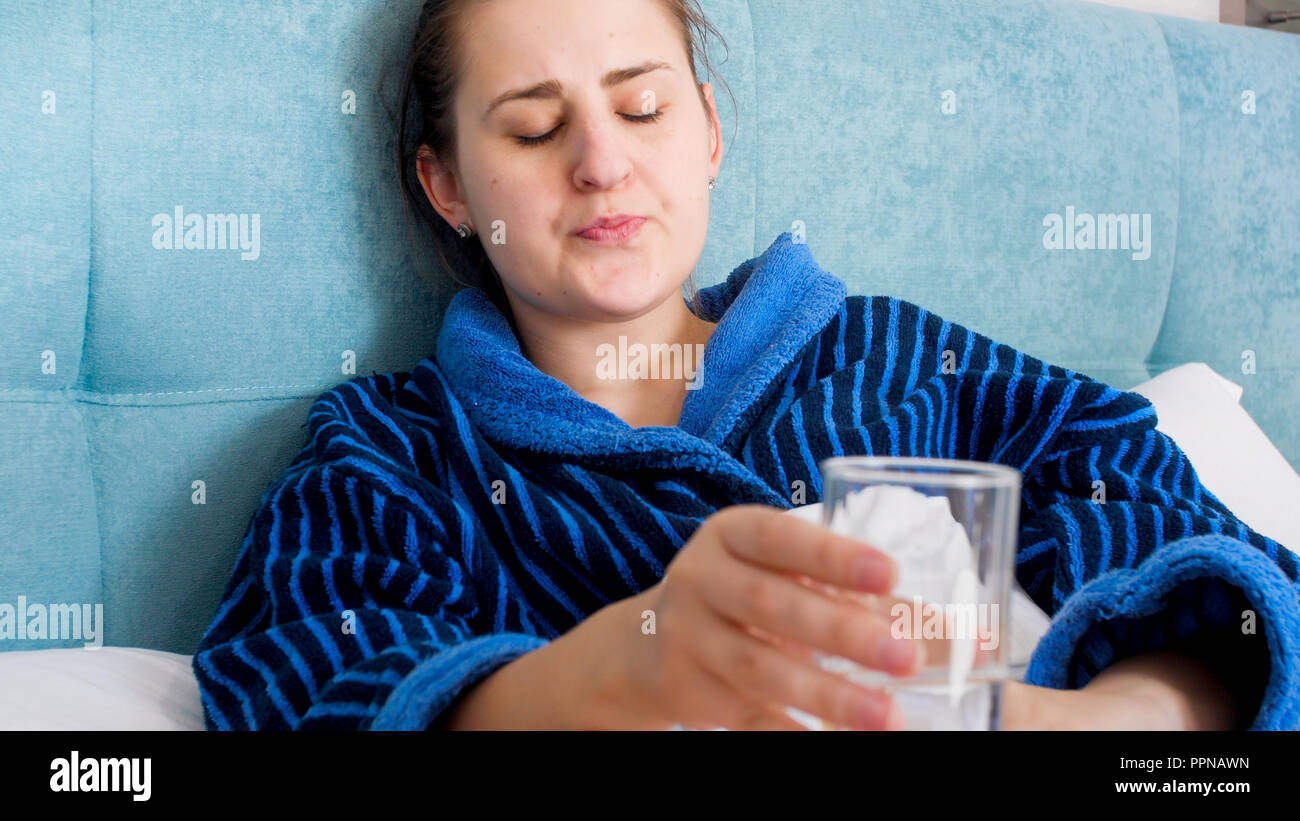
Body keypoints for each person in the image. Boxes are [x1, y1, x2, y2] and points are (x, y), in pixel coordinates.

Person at [192, 0, 1299, 731]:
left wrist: (1089, 719)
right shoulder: (387, 451)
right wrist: (626, 662)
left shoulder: (891, 356)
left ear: (709, 133)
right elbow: (292, 668)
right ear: (446, 187)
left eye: (641, 105)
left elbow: (1193, 538)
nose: (601, 161)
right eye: (534, 130)